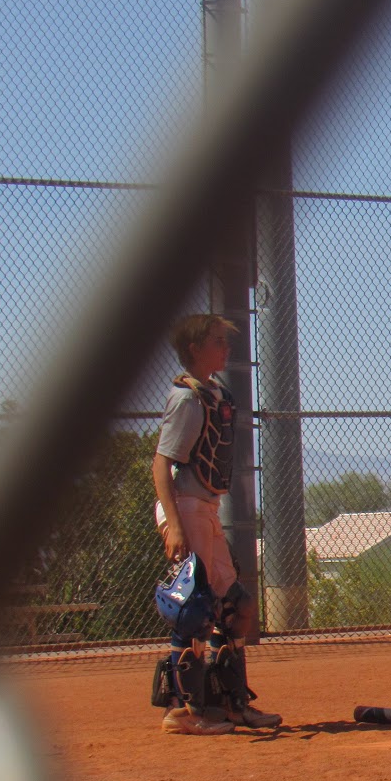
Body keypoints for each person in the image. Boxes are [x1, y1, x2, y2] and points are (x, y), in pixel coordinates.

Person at [150, 313, 281, 734]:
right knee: (194, 610)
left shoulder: (213, 394)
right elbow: (160, 464)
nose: (225, 349)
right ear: (194, 349)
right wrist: (173, 523)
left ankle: (231, 703)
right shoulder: (187, 399)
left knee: (237, 605)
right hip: (185, 505)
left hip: (205, 507)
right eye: (217, 341)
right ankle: (183, 712)